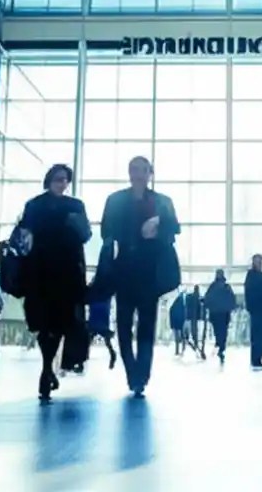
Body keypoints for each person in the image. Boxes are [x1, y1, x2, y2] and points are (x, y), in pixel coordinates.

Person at [101, 156, 181, 397]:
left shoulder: (162, 202)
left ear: (150, 174)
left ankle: (142, 376)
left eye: (143, 170)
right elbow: (106, 230)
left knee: (146, 326)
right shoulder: (115, 200)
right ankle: (131, 373)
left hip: (150, 273)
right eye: (134, 169)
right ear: (128, 172)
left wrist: (158, 221)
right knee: (123, 326)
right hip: (124, 269)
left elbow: (175, 228)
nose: (138, 174)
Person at [18, 163, 90, 402]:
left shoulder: (67, 206)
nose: (62, 183)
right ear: (49, 180)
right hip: (46, 272)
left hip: (61, 273)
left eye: (65, 180)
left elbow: (86, 234)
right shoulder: (38, 206)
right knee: (47, 323)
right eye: (59, 179)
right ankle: (48, 367)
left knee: (55, 323)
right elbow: (23, 235)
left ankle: (48, 367)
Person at [204, 268, 236, 364]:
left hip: (216, 313)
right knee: (223, 331)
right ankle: (221, 347)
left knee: (218, 331)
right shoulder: (226, 287)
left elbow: (207, 298)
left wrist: (208, 305)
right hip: (224, 313)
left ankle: (220, 345)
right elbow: (231, 298)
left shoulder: (213, 287)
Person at [88, 295, 117, 369]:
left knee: (88, 340)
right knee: (107, 341)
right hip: (102, 318)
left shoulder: (94, 291)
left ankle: (81, 360)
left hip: (94, 319)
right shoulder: (106, 293)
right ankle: (113, 355)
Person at [185, 284, 204, 359]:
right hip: (195, 318)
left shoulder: (191, 297)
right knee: (194, 334)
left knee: (193, 334)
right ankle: (196, 347)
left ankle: (195, 347)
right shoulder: (197, 298)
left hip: (192, 318)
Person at [170, 291, 187, 356]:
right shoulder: (182, 305)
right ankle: (183, 349)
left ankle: (177, 350)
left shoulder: (174, 306)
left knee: (177, 337)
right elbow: (184, 314)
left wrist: (172, 324)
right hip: (181, 322)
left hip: (175, 323)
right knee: (182, 336)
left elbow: (171, 312)